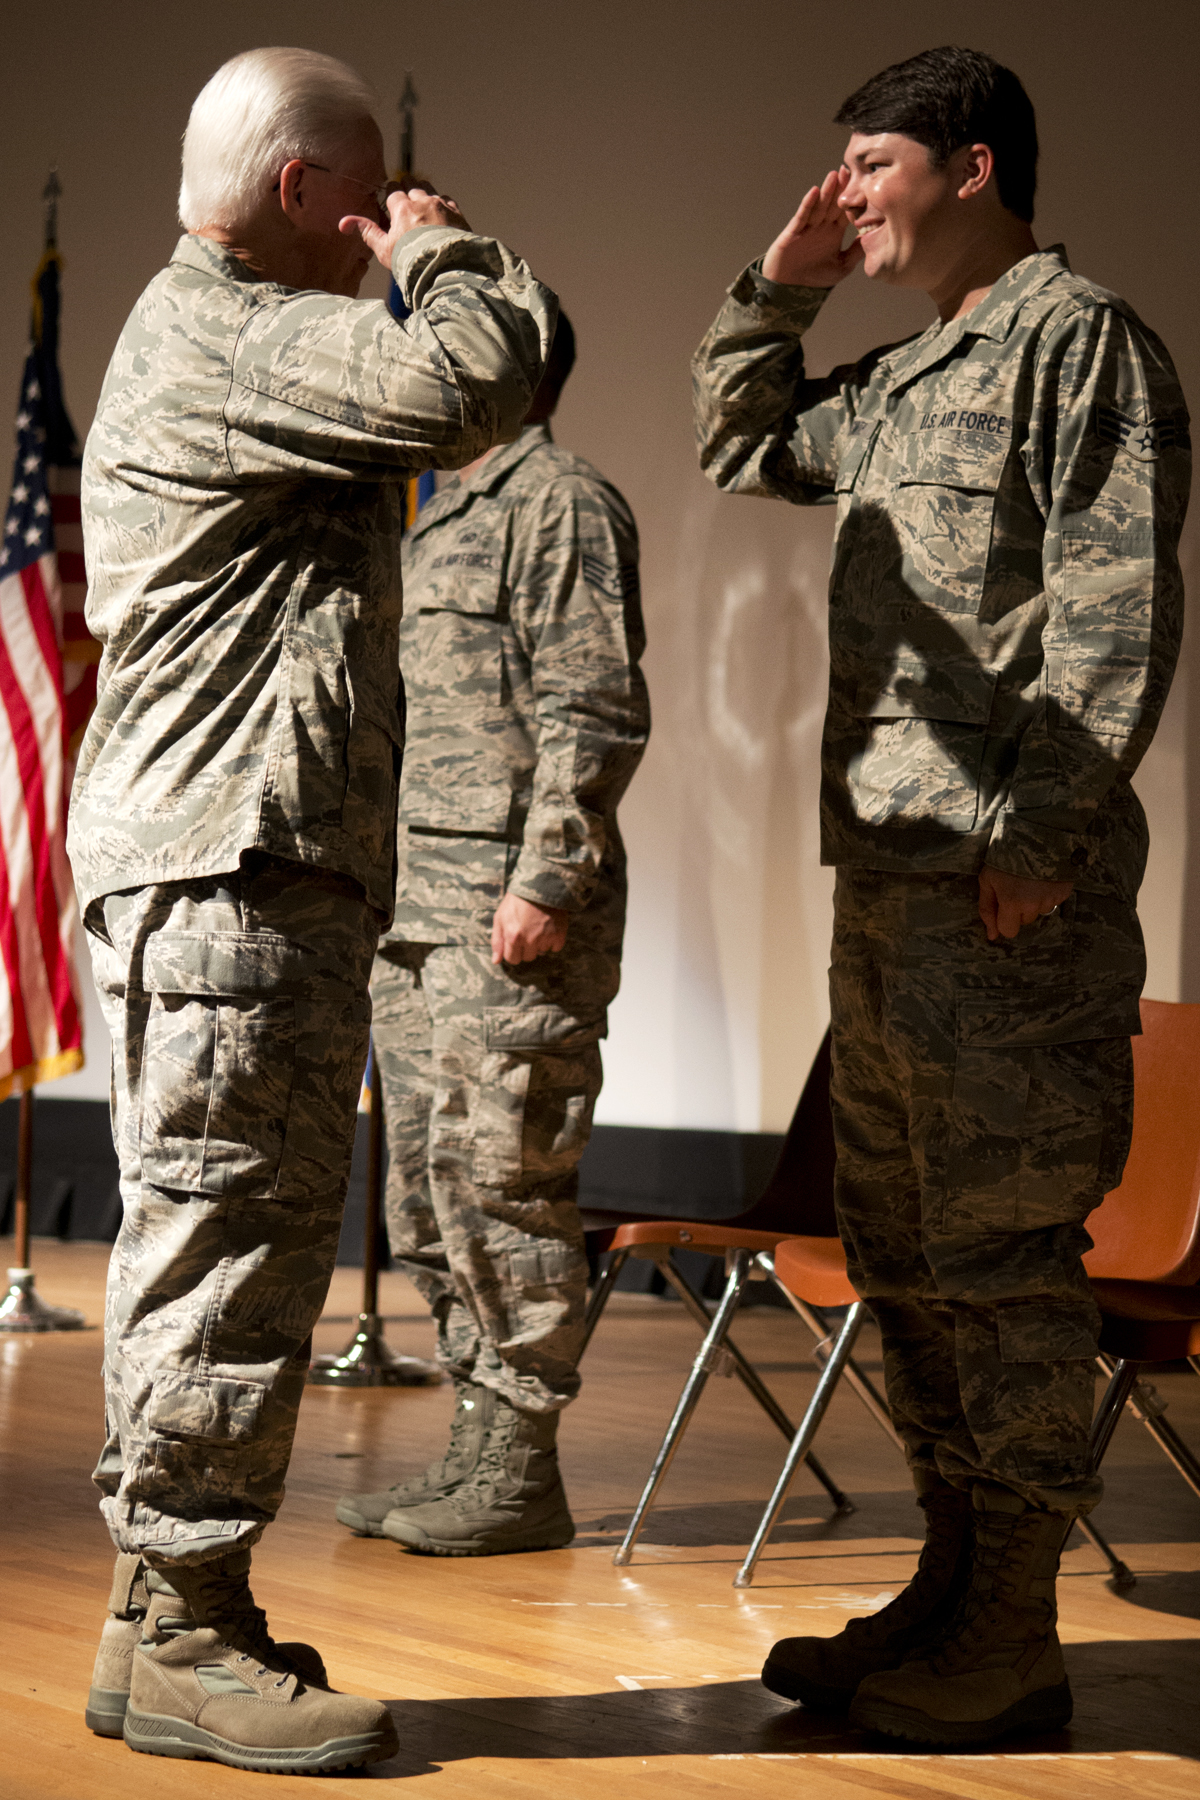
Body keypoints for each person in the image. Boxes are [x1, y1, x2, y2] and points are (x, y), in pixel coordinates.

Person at [693, 45, 1189, 1747]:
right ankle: (957, 1582)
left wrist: (1042, 834)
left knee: (1003, 1264)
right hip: (892, 887)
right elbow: (740, 440)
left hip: (1002, 894)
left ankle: (1017, 1630)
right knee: (905, 1260)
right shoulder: (910, 378)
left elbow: (1115, 607)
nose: (850, 196)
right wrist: (782, 284)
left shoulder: (1081, 345)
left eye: (872, 168)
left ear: (974, 168)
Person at [70, 46, 555, 1773]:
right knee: (222, 1239)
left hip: (224, 864)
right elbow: (486, 373)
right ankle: (190, 1626)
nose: (375, 224)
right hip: (229, 868)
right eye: (359, 196)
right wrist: (443, 252)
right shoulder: (236, 326)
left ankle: (163, 1621)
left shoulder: (219, 331)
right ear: (299, 195)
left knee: (213, 1236)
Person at [335, 310, 649, 1556]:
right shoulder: (433, 510)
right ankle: (481, 1441)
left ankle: (520, 1464)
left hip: (510, 915)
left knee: (506, 1182)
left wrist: (548, 881)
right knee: (427, 1192)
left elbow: (595, 704)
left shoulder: (558, 499)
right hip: (418, 912)